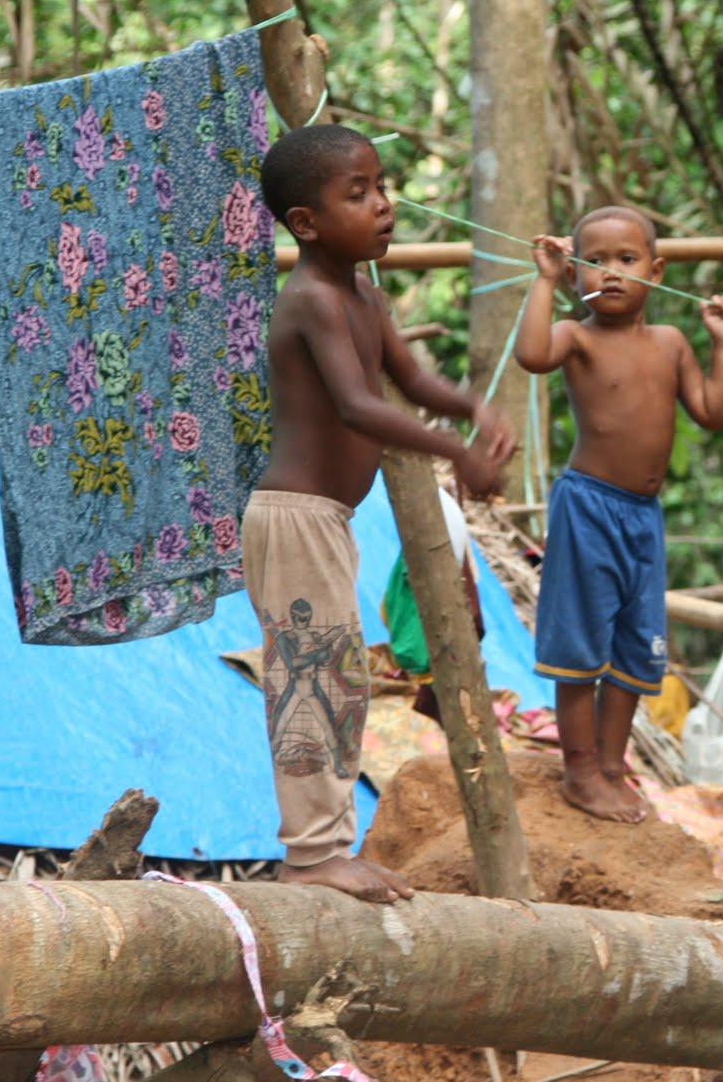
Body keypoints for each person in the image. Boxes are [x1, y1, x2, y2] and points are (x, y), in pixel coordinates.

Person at [246, 123, 516, 903]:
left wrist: (473, 408)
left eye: (382, 186)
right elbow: (359, 406)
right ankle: (312, 855)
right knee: (311, 679)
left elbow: (412, 380)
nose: (384, 205)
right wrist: (454, 450)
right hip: (294, 516)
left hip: (324, 519)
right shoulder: (312, 298)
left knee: (338, 677)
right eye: (358, 193)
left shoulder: (364, 293)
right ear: (306, 223)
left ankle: (325, 847)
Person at [516, 206, 723, 823]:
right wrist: (544, 280)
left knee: (637, 645)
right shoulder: (576, 335)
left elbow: (712, 411)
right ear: (574, 273)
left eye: (626, 259)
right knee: (579, 642)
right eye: (594, 261)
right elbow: (532, 356)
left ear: (656, 271)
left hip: (643, 516)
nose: (610, 272)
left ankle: (613, 767)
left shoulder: (671, 343)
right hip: (587, 506)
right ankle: (580, 770)